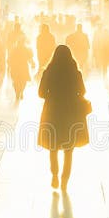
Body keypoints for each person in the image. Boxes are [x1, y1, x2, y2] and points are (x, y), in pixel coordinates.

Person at [38, 45, 90, 191]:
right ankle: (64, 180)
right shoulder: (75, 73)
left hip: (52, 112)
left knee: (53, 147)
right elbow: (83, 91)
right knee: (69, 149)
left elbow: (41, 93)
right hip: (71, 113)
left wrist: (52, 96)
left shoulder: (48, 72)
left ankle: (54, 174)